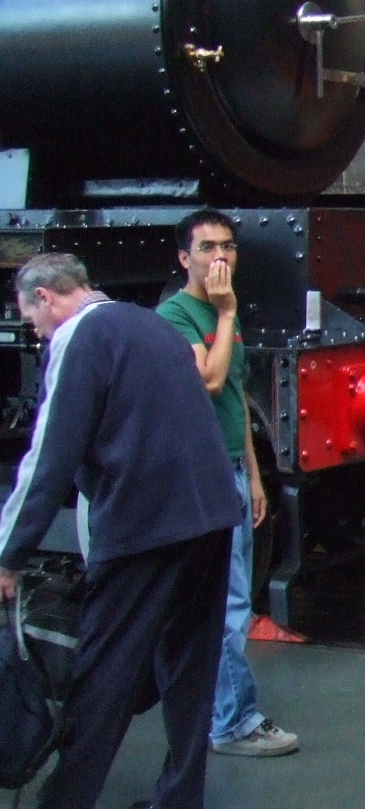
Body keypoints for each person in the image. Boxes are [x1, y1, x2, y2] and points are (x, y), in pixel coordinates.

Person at [0, 252, 237, 809]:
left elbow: (49, 455)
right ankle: (181, 799)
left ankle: (66, 801)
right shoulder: (150, 324)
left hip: (144, 523)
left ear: (45, 298)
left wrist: (9, 554)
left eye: (31, 320)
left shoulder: (78, 337)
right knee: (189, 668)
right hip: (209, 514)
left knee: (104, 670)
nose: (35, 333)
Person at [157, 209, 299, 759]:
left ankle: (227, 713)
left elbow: (238, 396)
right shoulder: (178, 316)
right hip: (202, 477)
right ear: (184, 257)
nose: (220, 257)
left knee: (235, 597)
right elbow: (209, 382)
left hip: (233, 472)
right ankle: (232, 722)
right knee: (228, 602)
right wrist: (226, 309)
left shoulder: (220, 315)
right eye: (208, 247)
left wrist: (256, 478)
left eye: (229, 247)